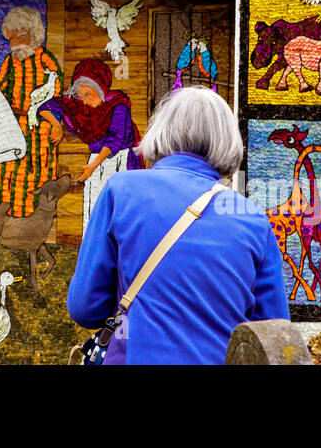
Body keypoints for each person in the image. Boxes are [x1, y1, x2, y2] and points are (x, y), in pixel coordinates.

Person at [68, 87, 288, 365]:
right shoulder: (253, 217)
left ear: (160, 131)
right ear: (228, 141)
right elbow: (273, 333)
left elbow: (85, 308)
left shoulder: (121, 190)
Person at [0, 6, 61, 217]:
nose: (15, 44)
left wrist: (56, 125)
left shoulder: (47, 61)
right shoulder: (10, 62)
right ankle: (6, 224)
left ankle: (33, 227)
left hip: (39, 129)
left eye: (20, 37)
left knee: (37, 176)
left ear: (33, 35)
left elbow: (56, 98)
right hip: (12, 126)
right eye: (11, 39)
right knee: (10, 174)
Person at [36, 58, 141, 230]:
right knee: (93, 209)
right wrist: (56, 125)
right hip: (95, 162)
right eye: (79, 95)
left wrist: (93, 165)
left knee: (119, 210)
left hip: (119, 161)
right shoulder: (81, 107)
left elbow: (114, 140)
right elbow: (47, 106)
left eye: (88, 95)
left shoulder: (118, 106)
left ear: (101, 90)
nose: (84, 101)